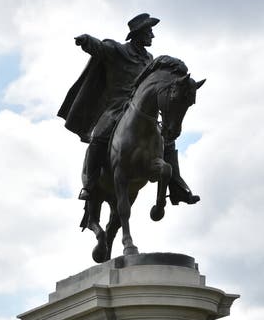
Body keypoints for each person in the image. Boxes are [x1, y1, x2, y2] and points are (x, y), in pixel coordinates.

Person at [58, 13, 199, 205]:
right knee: (99, 136)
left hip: (143, 109)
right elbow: (99, 47)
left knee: (168, 140)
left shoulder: (149, 60)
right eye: (149, 31)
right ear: (139, 33)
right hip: (116, 108)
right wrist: (86, 41)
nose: (152, 35)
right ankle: (89, 185)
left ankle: (176, 188)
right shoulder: (118, 51)